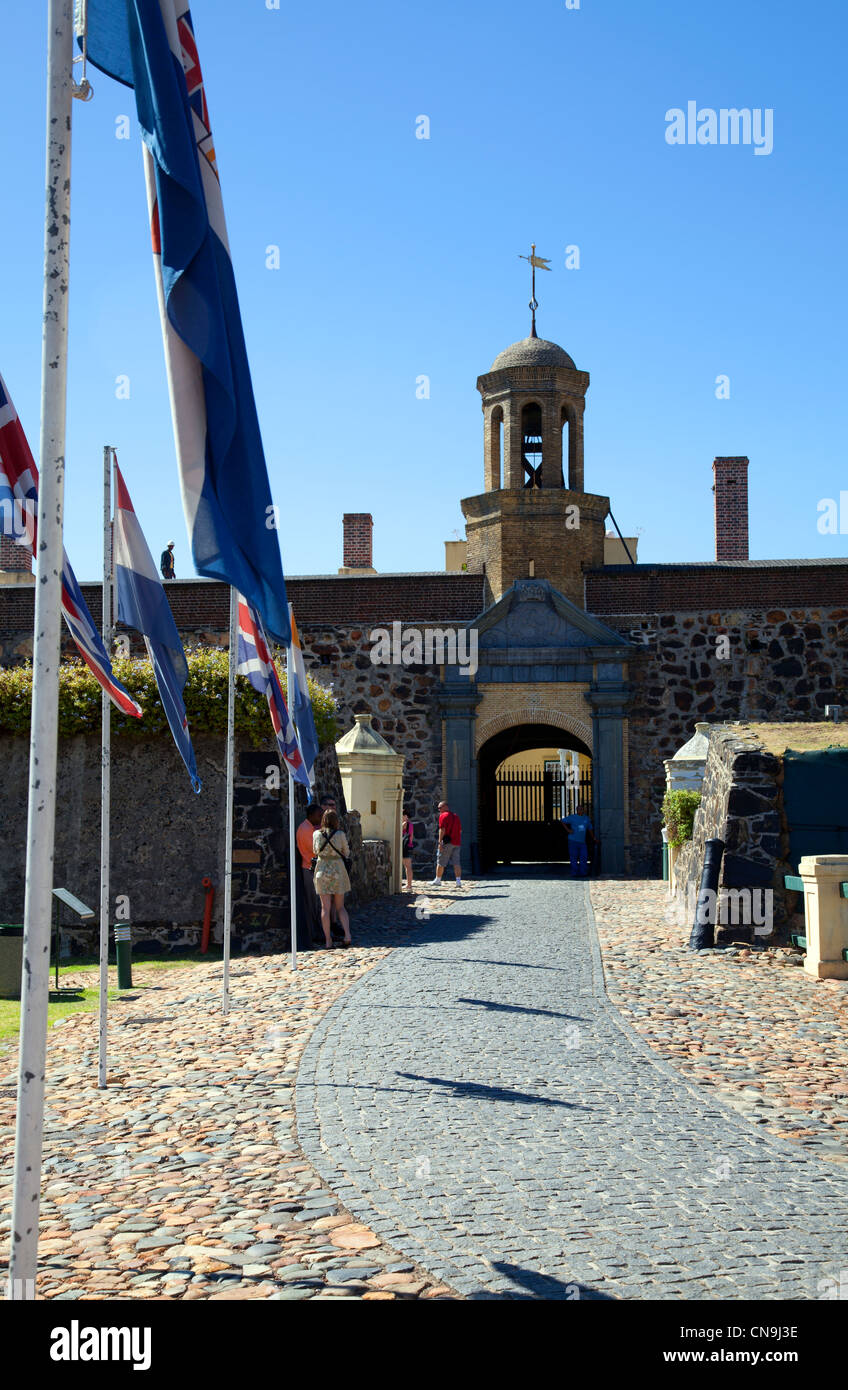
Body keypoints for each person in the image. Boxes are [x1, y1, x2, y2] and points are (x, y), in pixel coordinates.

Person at [313, 809, 352, 947]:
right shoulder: (340, 834)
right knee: (340, 907)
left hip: (322, 870)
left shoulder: (316, 834)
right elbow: (346, 852)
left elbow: (315, 851)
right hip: (337, 871)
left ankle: (328, 940)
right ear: (336, 821)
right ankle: (347, 935)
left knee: (325, 907)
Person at [296, 802, 324, 942]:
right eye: (319, 815)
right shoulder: (307, 830)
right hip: (310, 869)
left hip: (311, 868)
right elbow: (315, 851)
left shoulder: (308, 827)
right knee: (313, 905)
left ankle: (317, 933)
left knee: (315, 904)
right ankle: (315, 934)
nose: (321, 818)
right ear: (312, 815)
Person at [430, 800, 462, 889]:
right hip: (457, 843)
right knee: (456, 863)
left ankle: (438, 880)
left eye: (440, 808)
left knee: (441, 862)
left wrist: (440, 843)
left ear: (445, 807)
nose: (439, 810)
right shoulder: (456, 816)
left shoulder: (443, 816)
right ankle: (458, 882)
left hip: (447, 843)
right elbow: (460, 831)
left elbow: (442, 830)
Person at [562, 801, 593, 879]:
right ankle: (574, 873)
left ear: (583, 810)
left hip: (582, 842)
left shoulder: (586, 818)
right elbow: (562, 821)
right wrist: (568, 830)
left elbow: (590, 829)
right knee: (574, 858)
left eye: (582, 809)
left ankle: (583, 873)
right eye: (579, 809)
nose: (580, 810)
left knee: (584, 857)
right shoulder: (572, 817)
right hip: (573, 841)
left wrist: (594, 838)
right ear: (577, 810)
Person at [401, 811, 414, 892]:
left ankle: (409, 886)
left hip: (404, 846)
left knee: (407, 866)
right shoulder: (411, 824)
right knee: (408, 866)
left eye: (402, 815)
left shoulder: (404, 824)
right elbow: (411, 836)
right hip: (409, 845)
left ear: (405, 816)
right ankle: (409, 884)